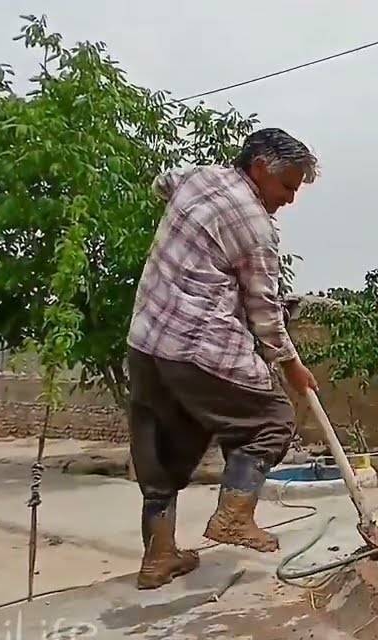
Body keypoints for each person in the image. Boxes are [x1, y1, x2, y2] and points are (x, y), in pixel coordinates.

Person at [125, 128, 321, 590]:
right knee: (270, 419)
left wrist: (189, 236)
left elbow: (161, 181)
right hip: (198, 347)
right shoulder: (256, 229)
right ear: (259, 168)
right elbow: (264, 311)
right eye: (287, 187)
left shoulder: (196, 179)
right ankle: (234, 515)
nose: (290, 200)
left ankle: (159, 559)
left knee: (166, 449)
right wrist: (292, 367)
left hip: (147, 343)